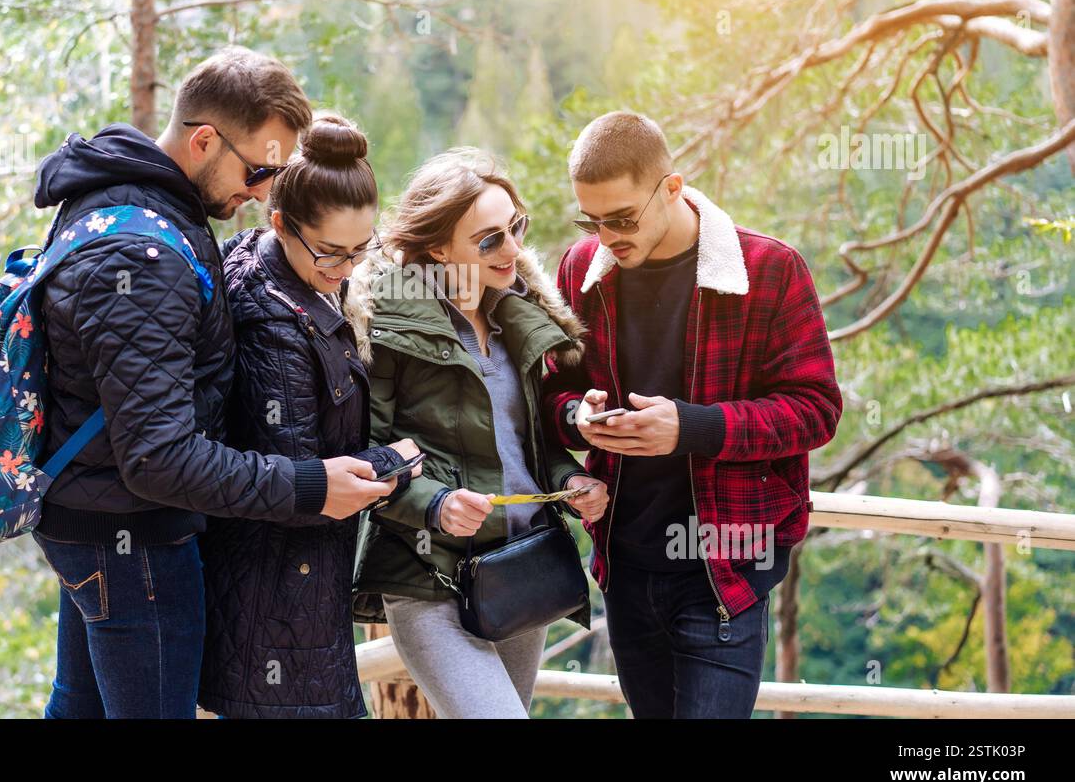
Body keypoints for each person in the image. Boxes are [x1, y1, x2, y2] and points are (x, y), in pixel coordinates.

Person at [30, 47, 393, 719]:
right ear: (204, 140)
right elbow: (159, 457)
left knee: (75, 708)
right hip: (132, 538)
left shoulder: (117, 198)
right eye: (257, 170)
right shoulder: (145, 255)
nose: (260, 193)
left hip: (91, 516)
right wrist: (311, 484)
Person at [541, 110, 843, 718]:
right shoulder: (579, 270)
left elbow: (815, 412)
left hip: (726, 569)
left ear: (672, 187)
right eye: (591, 220)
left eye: (622, 219)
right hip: (625, 566)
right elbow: (549, 397)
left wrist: (692, 427)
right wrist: (580, 415)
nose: (607, 237)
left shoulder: (769, 270)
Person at [348, 148, 609, 719]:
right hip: (431, 579)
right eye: (489, 239)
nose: (512, 250)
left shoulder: (516, 321)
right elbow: (366, 457)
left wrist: (571, 480)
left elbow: (530, 441)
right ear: (439, 247)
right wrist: (434, 504)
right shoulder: (388, 329)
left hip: (522, 570)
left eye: (516, 228)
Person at [199, 113, 420, 718]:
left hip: (295, 594)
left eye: (360, 250)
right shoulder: (273, 321)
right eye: (329, 253)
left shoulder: (293, 278)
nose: (346, 270)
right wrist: (400, 460)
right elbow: (307, 486)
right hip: (278, 599)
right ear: (279, 222)